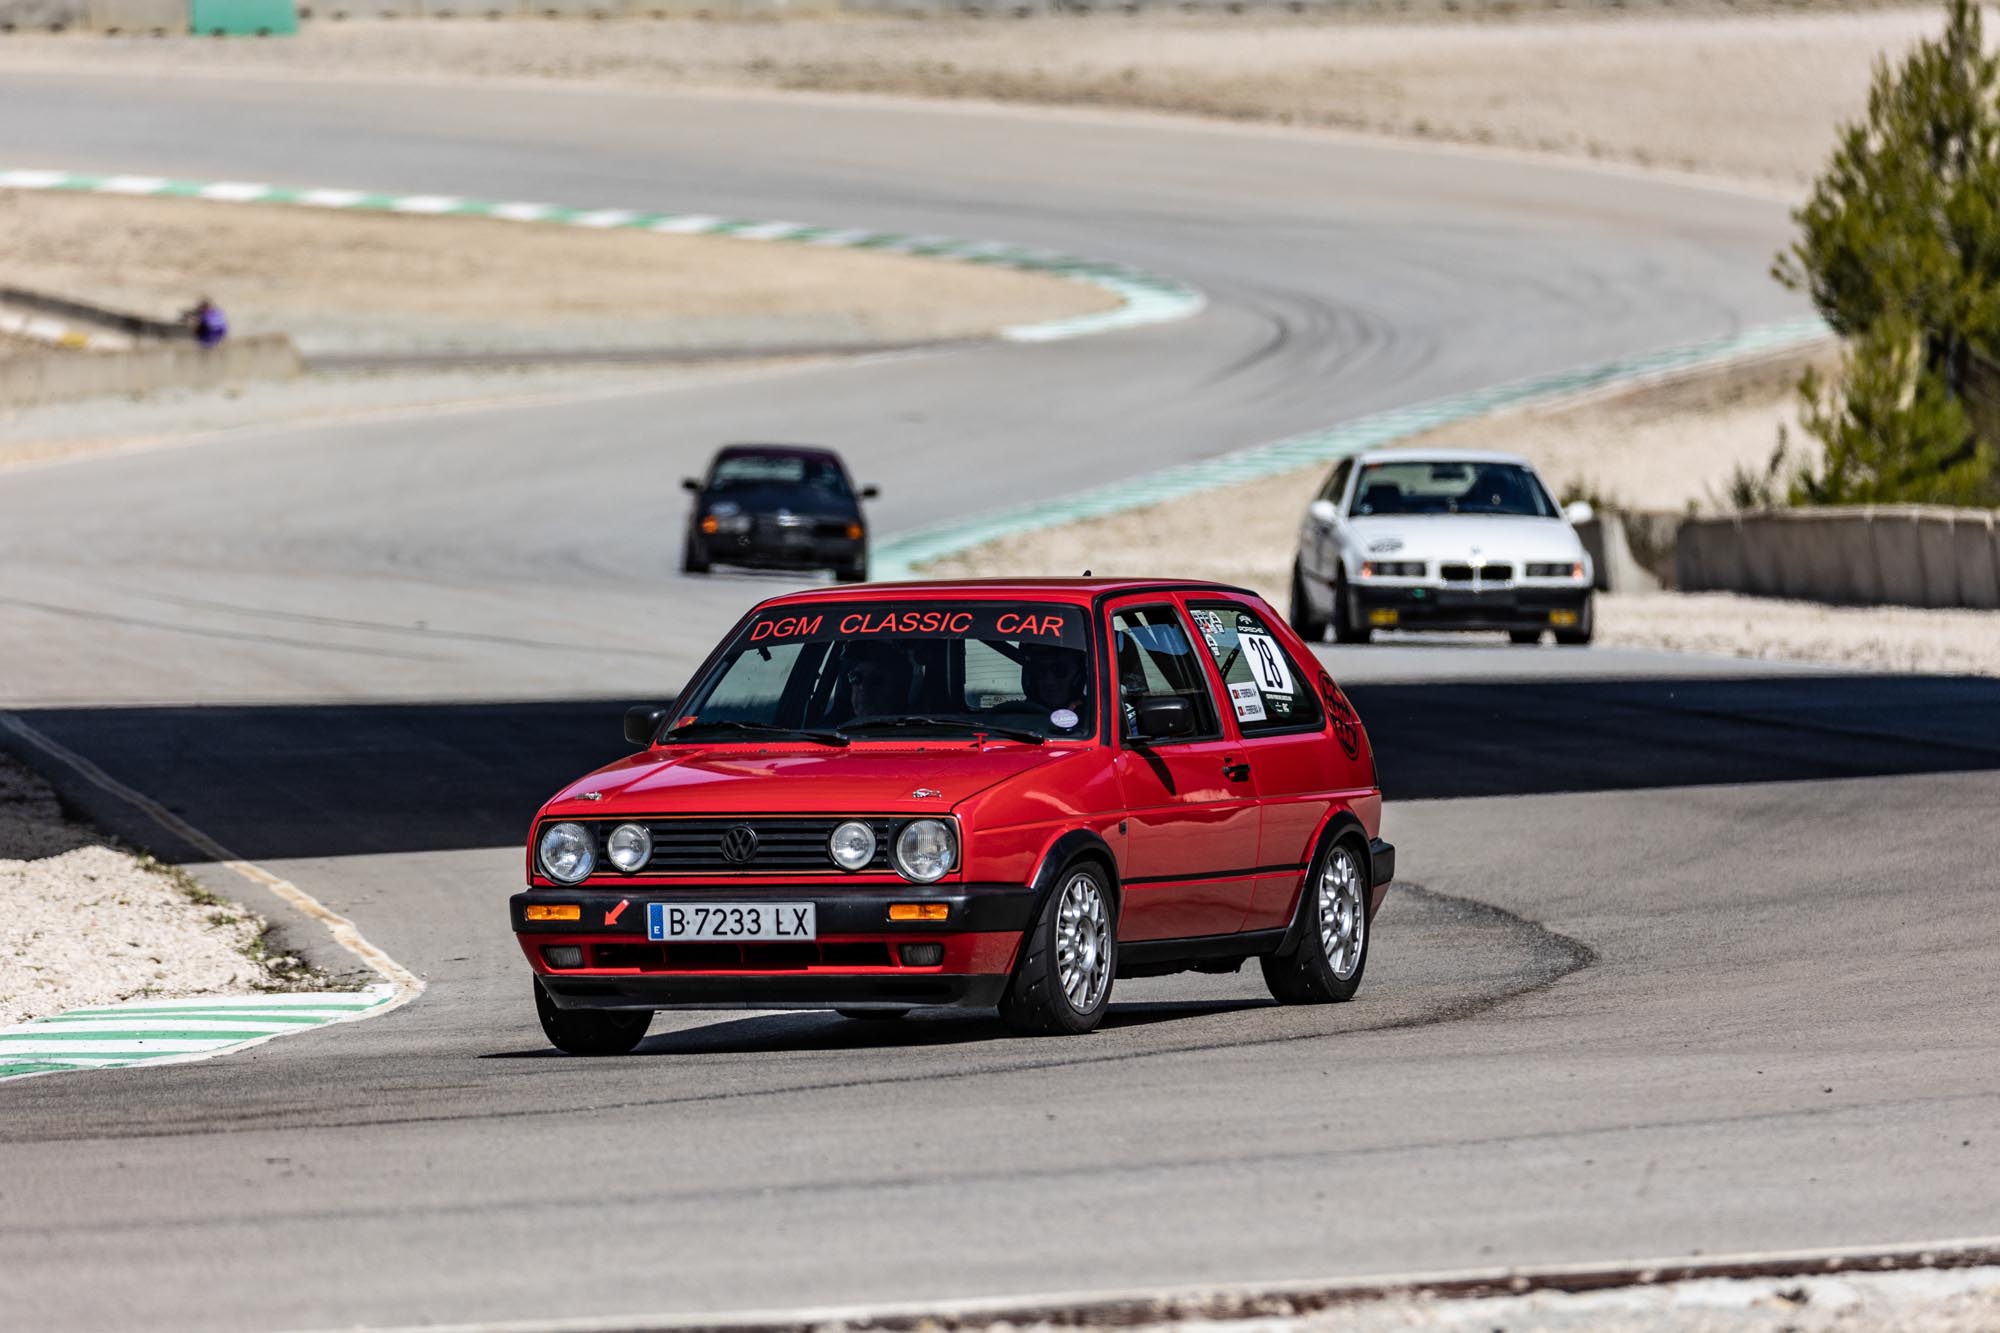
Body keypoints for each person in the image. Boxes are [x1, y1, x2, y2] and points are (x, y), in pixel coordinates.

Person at [1019, 644, 1088, 723]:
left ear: (1079, 675)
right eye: (1040, 670)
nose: (1049, 681)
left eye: (1060, 670)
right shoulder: (1019, 718)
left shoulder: (1093, 719)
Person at [844, 644, 914, 720]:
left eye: (876, 680)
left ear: (900, 687)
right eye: (855, 677)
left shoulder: (919, 727)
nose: (863, 687)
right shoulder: (834, 727)